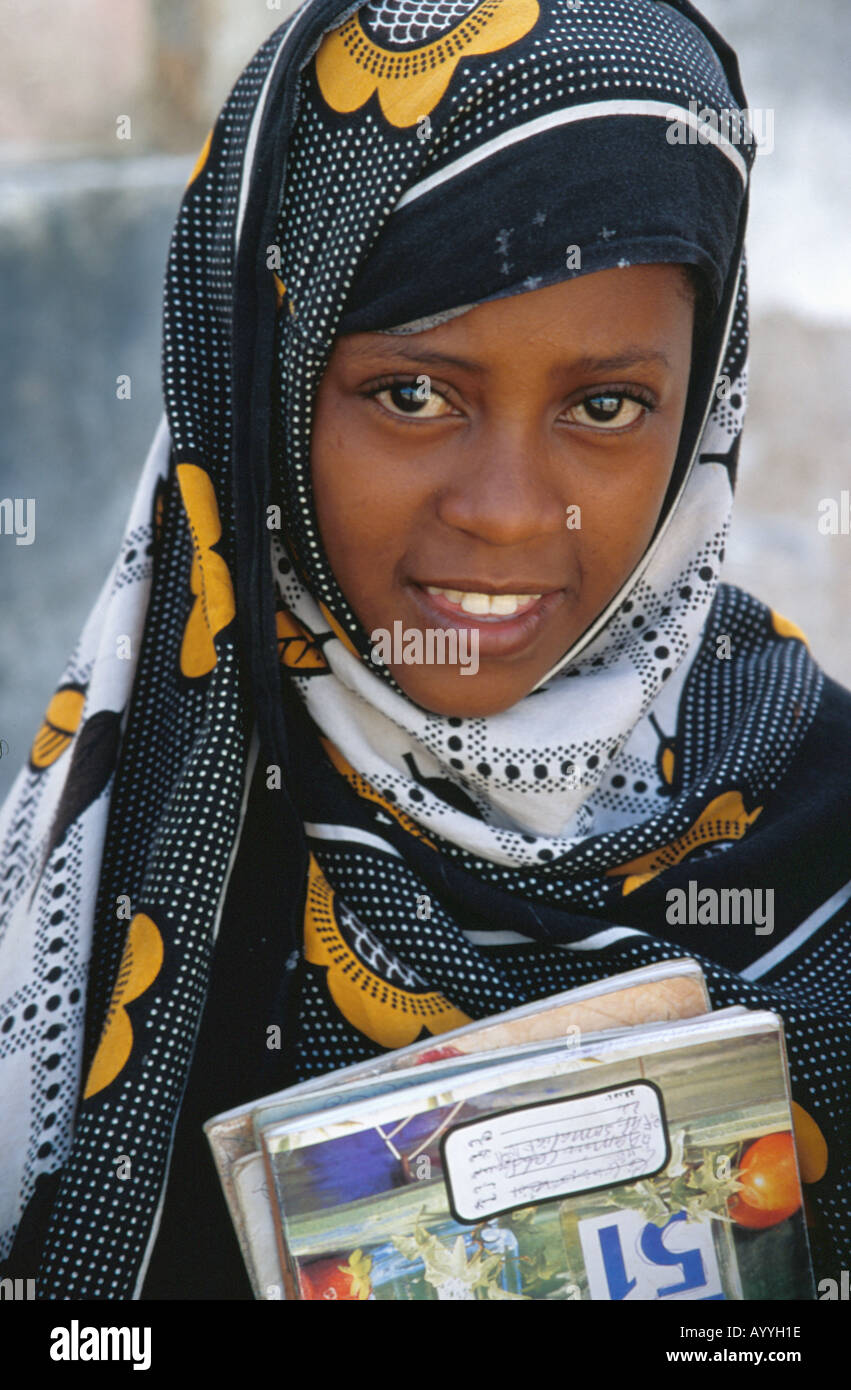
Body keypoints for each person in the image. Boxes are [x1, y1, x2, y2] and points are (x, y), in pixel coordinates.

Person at [1, 0, 848, 1301]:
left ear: (704, 405)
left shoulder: (820, 820)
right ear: (264, 387)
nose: (508, 510)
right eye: (413, 394)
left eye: (608, 405)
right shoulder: (133, 867)